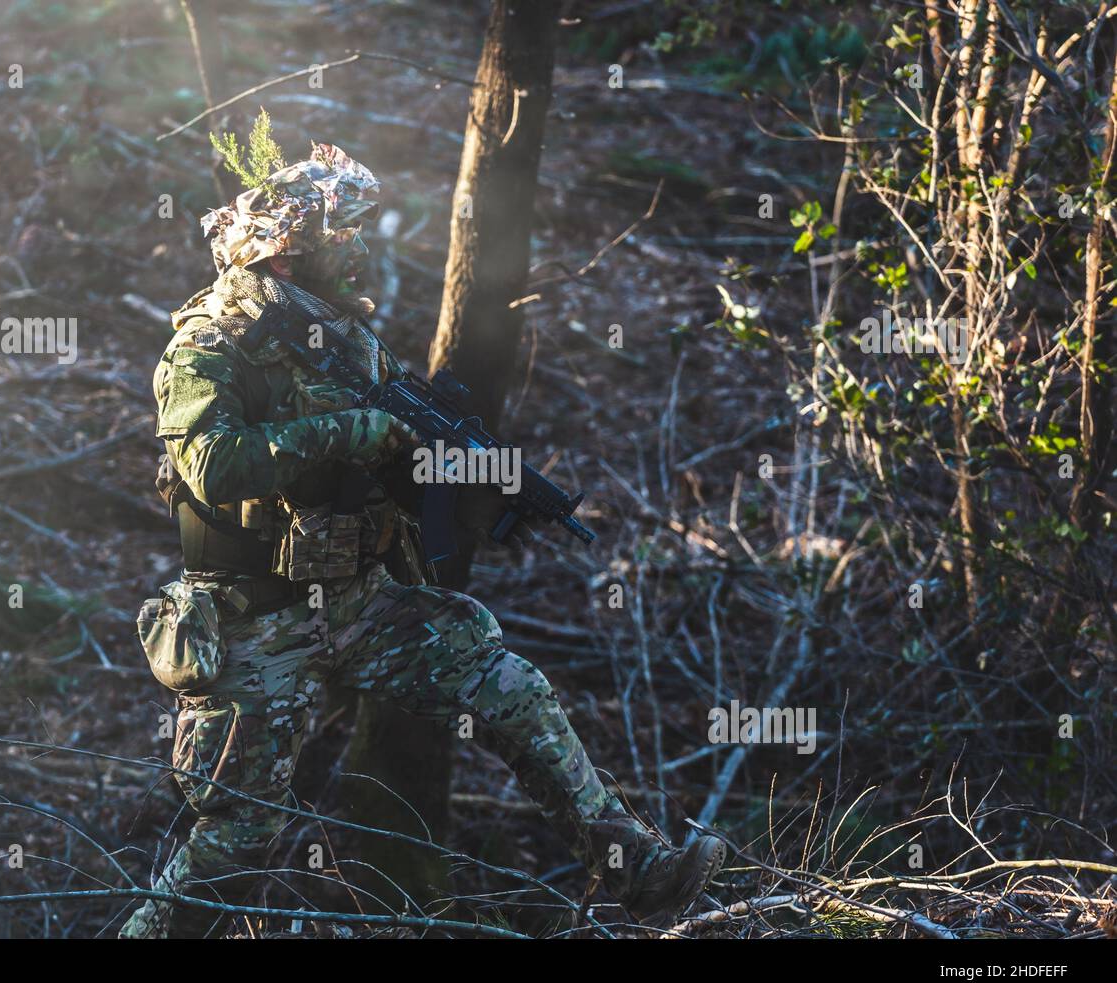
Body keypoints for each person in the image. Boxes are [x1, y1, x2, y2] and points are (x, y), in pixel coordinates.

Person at [119, 142, 724, 938]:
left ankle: (635, 867)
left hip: (363, 605)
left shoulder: (345, 338)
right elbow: (208, 464)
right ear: (290, 251)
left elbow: (392, 463)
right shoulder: (210, 343)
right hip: (255, 620)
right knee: (241, 836)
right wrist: (354, 430)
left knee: (505, 682)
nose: (359, 252)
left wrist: (466, 481)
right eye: (343, 238)